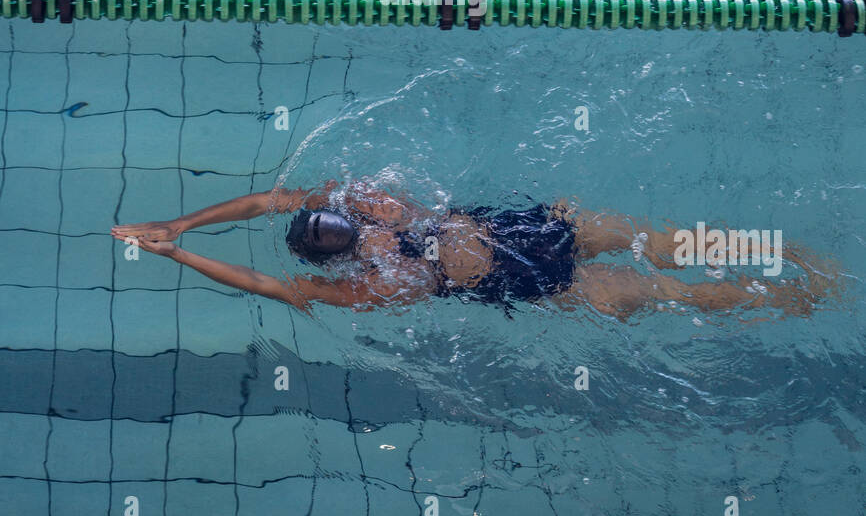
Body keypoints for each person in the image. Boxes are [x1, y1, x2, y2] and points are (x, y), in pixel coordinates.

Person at [111, 181, 835, 321]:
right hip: (525, 228)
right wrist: (179, 225)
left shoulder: (373, 286)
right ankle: (790, 254)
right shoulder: (375, 199)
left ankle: (797, 300)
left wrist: (179, 250)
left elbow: (273, 289)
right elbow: (268, 201)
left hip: (531, 284)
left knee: (665, 292)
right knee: (666, 245)